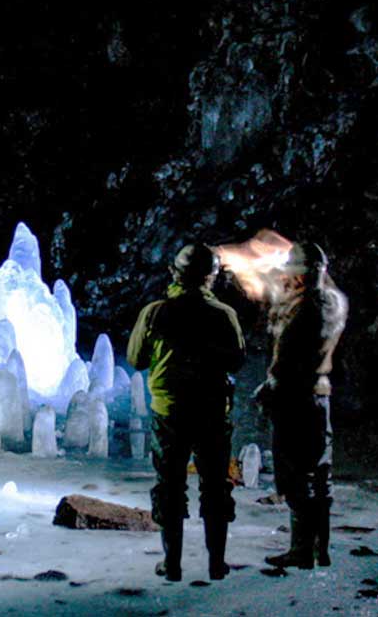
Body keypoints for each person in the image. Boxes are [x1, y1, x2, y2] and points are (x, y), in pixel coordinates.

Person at [128, 244, 246, 582]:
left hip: (169, 412)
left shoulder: (155, 313)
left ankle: (173, 564)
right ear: (212, 277)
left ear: (173, 272)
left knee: (169, 485)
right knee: (215, 486)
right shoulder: (223, 314)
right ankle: (216, 564)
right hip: (212, 412)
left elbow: (136, 359)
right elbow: (236, 360)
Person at [256, 242, 347, 569]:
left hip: (295, 398)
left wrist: (268, 390)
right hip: (320, 394)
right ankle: (321, 548)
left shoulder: (302, 309)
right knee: (320, 473)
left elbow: (286, 357)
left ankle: (301, 550)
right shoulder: (335, 302)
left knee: (295, 475)